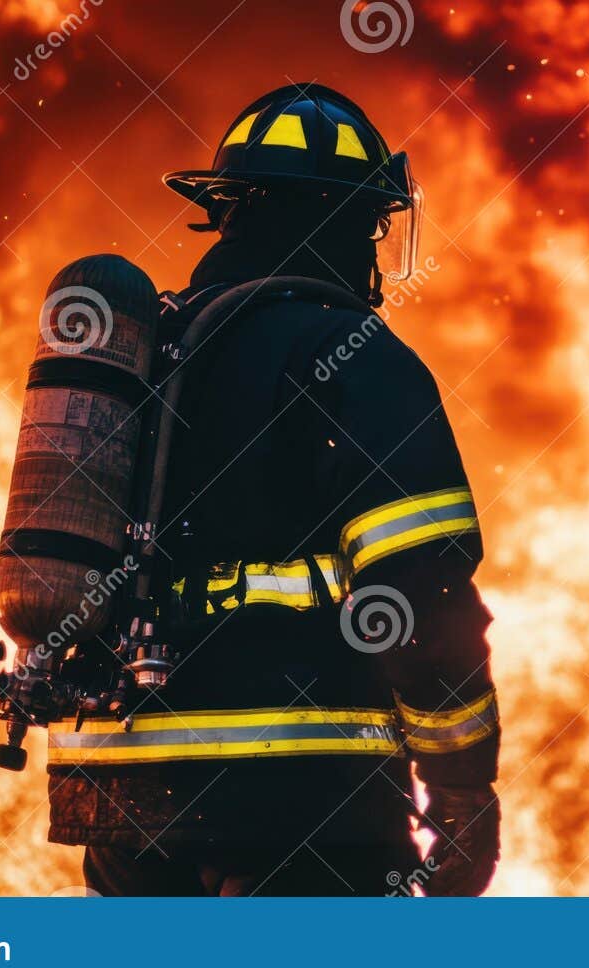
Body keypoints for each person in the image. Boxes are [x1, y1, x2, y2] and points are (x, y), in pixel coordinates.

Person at [43, 84, 500, 896]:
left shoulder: (149, 352)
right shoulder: (359, 358)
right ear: (350, 222)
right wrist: (462, 784)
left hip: (123, 801)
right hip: (304, 798)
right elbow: (420, 595)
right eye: (370, 224)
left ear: (228, 216)